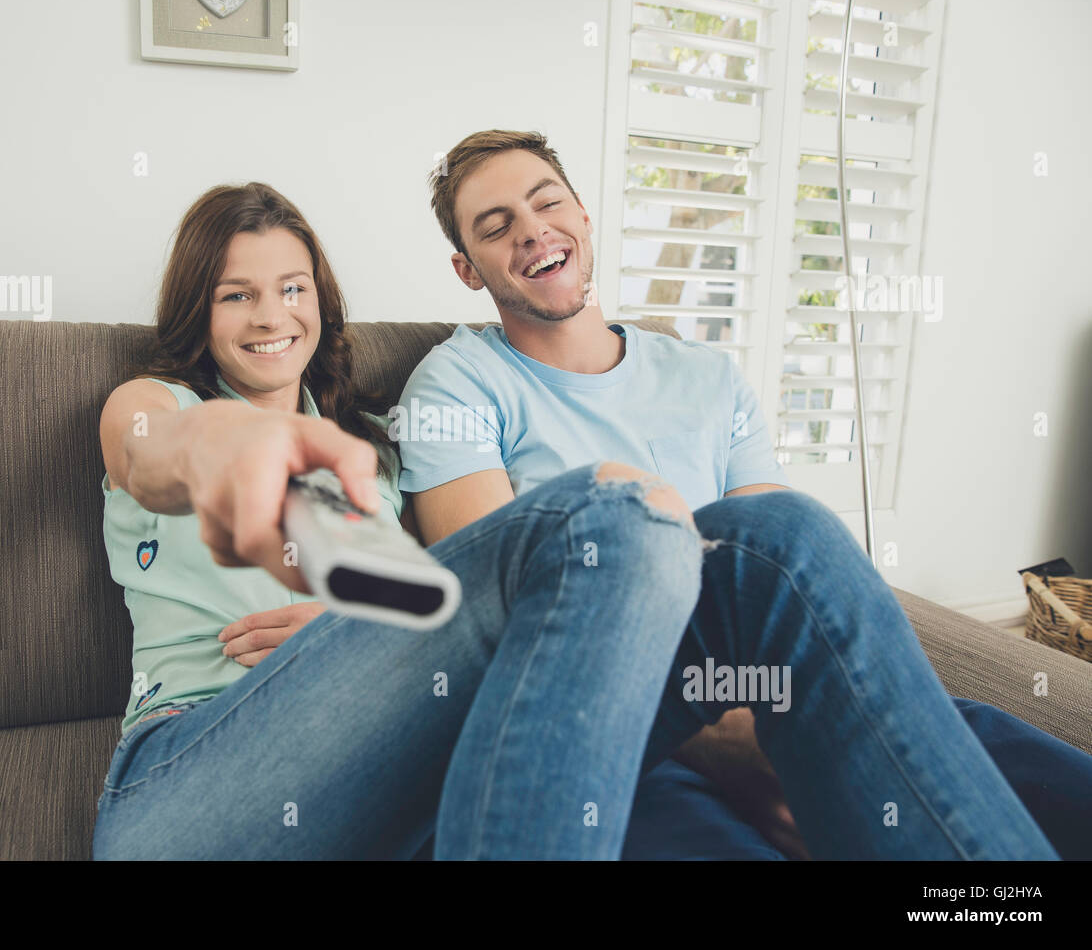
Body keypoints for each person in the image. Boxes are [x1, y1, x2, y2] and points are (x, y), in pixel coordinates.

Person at [91, 181, 1057, 860]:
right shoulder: (156, 405)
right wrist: (218, 442)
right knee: (617, 511)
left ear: (321, 302)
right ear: (199, 311)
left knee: (782, 544)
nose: (272, 315)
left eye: (292, 287)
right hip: (194, 779)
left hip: (405, 767)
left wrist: (358, 645)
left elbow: (469, 635)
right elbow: (150, 451)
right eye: (238, 294)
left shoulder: (376, 450)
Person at [392, 128, 1092, 860]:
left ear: (584, 216)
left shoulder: (706, 376)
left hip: (774, 692)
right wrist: (735, 747)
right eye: (496, 227)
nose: (533, 231)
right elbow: (497, 618)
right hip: (621, 726)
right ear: (467, 270)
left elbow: (783, 575)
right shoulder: (458, 384)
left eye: (546, 203)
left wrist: (785, 732)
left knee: (1003, 757)